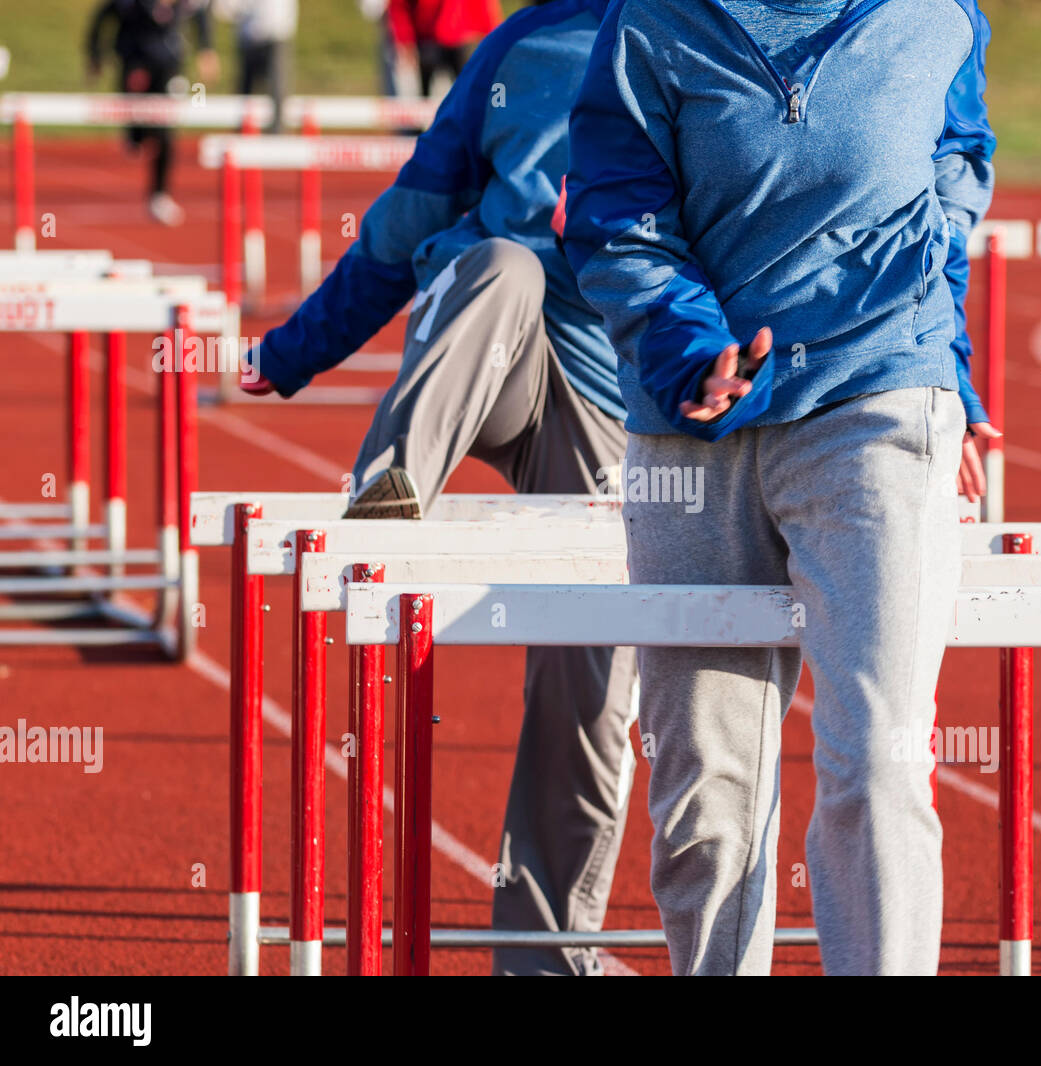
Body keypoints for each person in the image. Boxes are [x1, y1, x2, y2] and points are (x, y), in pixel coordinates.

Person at [564, 0, 999, 975]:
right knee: (703, 797)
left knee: (880, 761)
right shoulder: (650, 24)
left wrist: (943, 366)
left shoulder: (938, 17)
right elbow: (612, 213)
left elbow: (951, 182)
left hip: (876, 400)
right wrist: (693, 352)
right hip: (692, 432)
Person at [240, 0, 635, 977]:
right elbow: (403, 223)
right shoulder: (515, 45)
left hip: (607, 393)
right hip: (486, 357)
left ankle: (539, 952)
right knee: (501, 265)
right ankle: (392, 490)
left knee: (592, 698)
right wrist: (293, 352)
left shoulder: (697, 47)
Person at [86, 0, 220, 226]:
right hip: (136, 65)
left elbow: (201, 18)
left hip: (169, 69)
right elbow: (103, 17)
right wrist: (95, 55)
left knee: (165, 133)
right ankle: (134, 135)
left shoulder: (186, 5)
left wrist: (206, 50)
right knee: (138, 133)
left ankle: (160, 195)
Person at [213, 0, 298, 133]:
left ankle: (278, 136)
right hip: (248, 36)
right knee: (245, 91)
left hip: (276, 34)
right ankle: (241, 133)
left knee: (277, 90)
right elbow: (226, 9)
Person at [388, 0, 502, 97]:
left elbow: (485, 6)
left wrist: (493, 38)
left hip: (463, 39)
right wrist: (405, 40)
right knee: (424, 97)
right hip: (427, 40)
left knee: (469, 93)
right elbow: (400, 7)